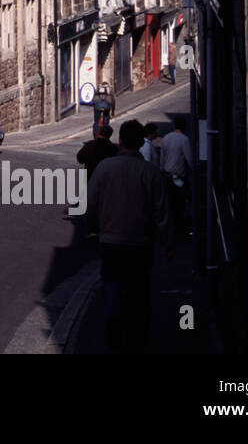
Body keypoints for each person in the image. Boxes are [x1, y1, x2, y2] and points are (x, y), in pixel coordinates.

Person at [86, 120, 173, 351]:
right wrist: (167, 243)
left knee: (113, 291)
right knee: (139, 293)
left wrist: (95, 228)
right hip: (141, 244)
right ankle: (137, 341)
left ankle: (113, 341)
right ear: (140, 141)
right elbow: (162, 213)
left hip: (111, 242)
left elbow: (90, 205)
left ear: (121, 141)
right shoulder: (151, 172)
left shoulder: (105, 168)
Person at [161, 116, 194, 240]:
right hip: (179, 177)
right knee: (180, 205)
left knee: (169, 204)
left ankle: (169, 229)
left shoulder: (166, 138)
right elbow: (189, 159)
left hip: (166, 175)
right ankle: (179, 230)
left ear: (174, 125)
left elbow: (162, 158)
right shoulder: (184, 140)